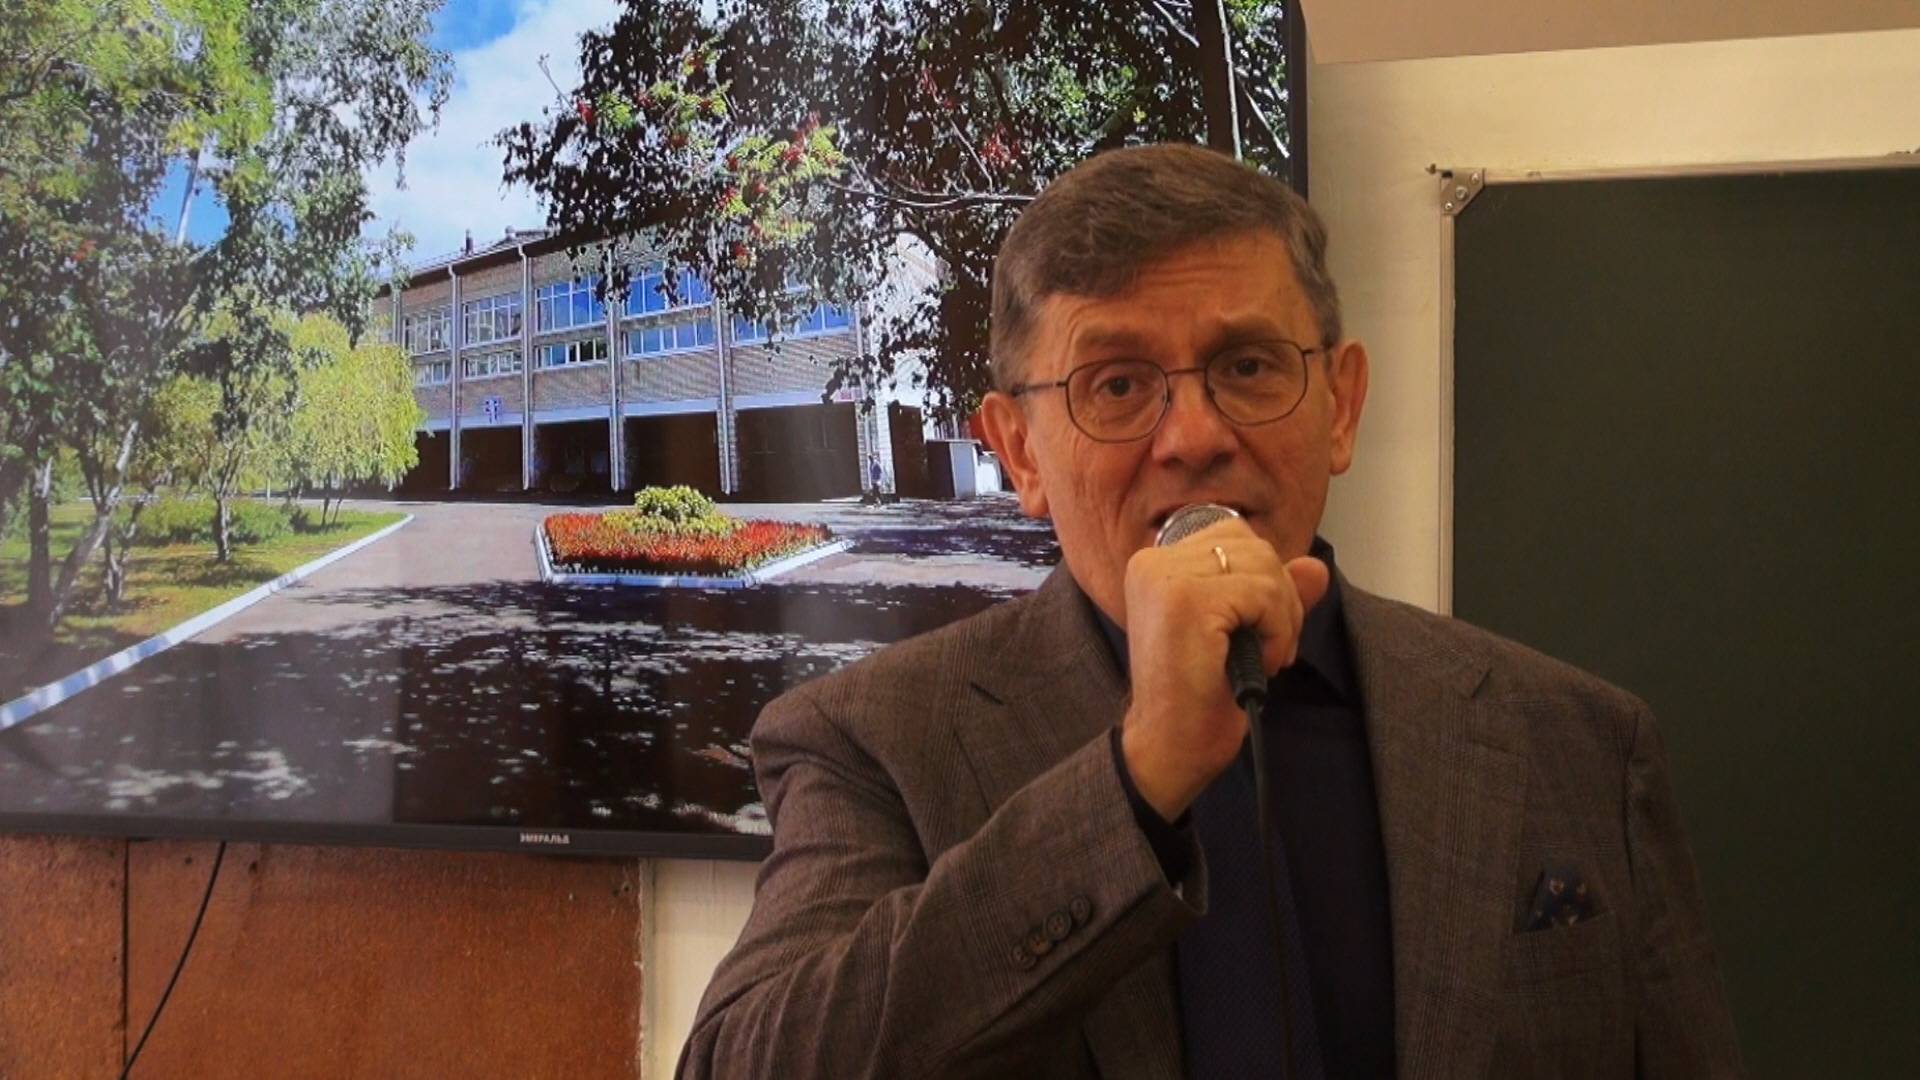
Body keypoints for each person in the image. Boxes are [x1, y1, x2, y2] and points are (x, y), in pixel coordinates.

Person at [677, 144, 1742, 1078]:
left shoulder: (1581, 744)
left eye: (1247, 365)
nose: (1193, 437)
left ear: (1341, 407)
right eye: (1117, 384)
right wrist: (1136, 782)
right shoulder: (872, 739)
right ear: (1019, 453)